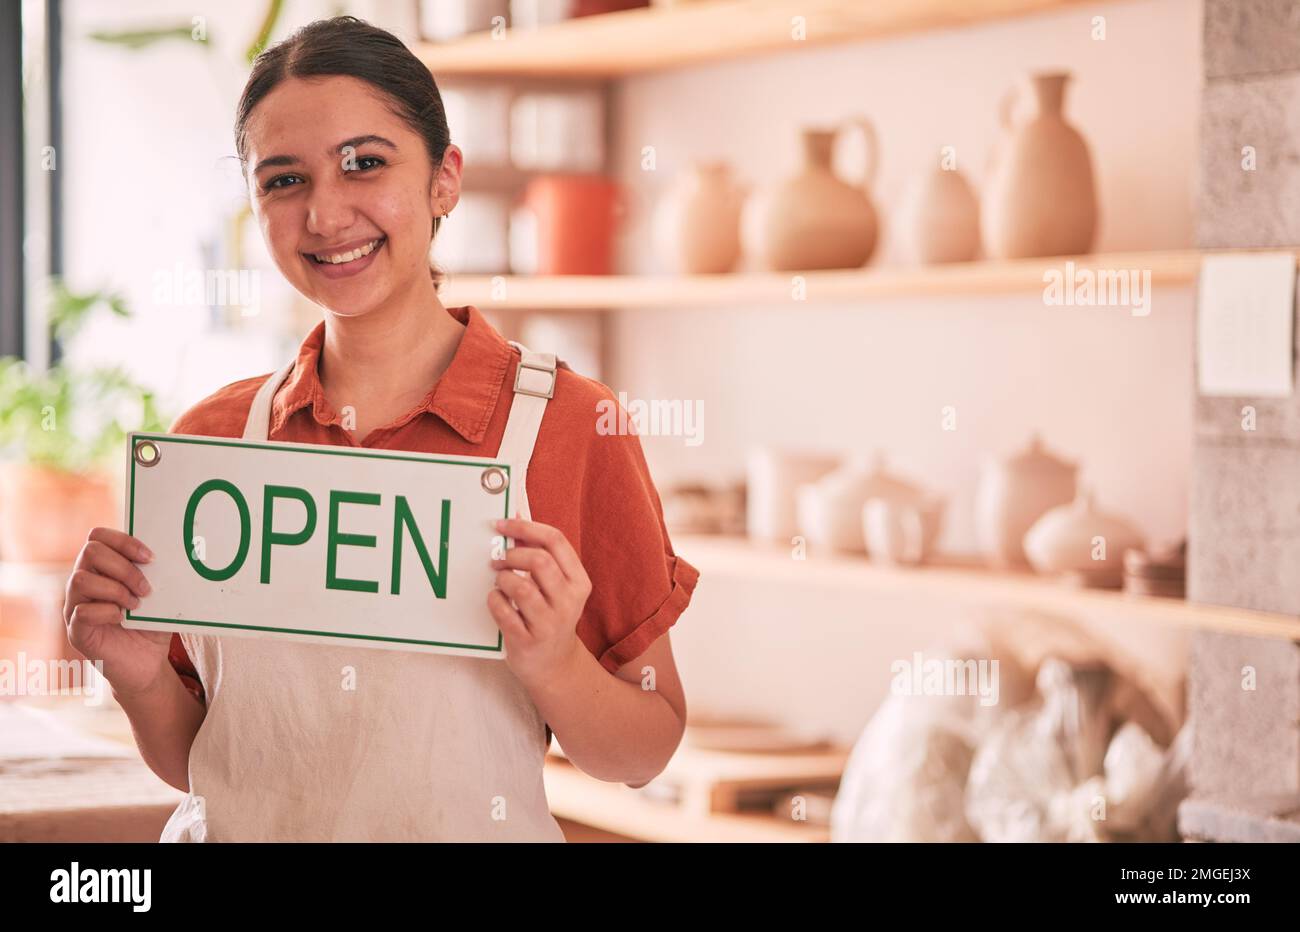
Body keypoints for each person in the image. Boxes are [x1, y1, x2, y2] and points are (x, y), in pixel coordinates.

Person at [62, 15, 699, 841]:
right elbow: (211, 766)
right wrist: (139, 678)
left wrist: (556, 664)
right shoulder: (211, 442)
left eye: (364, 163)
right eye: (283, 180)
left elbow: (642, 753)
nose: (326, 215)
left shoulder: (574, 427)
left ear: (444, 179)